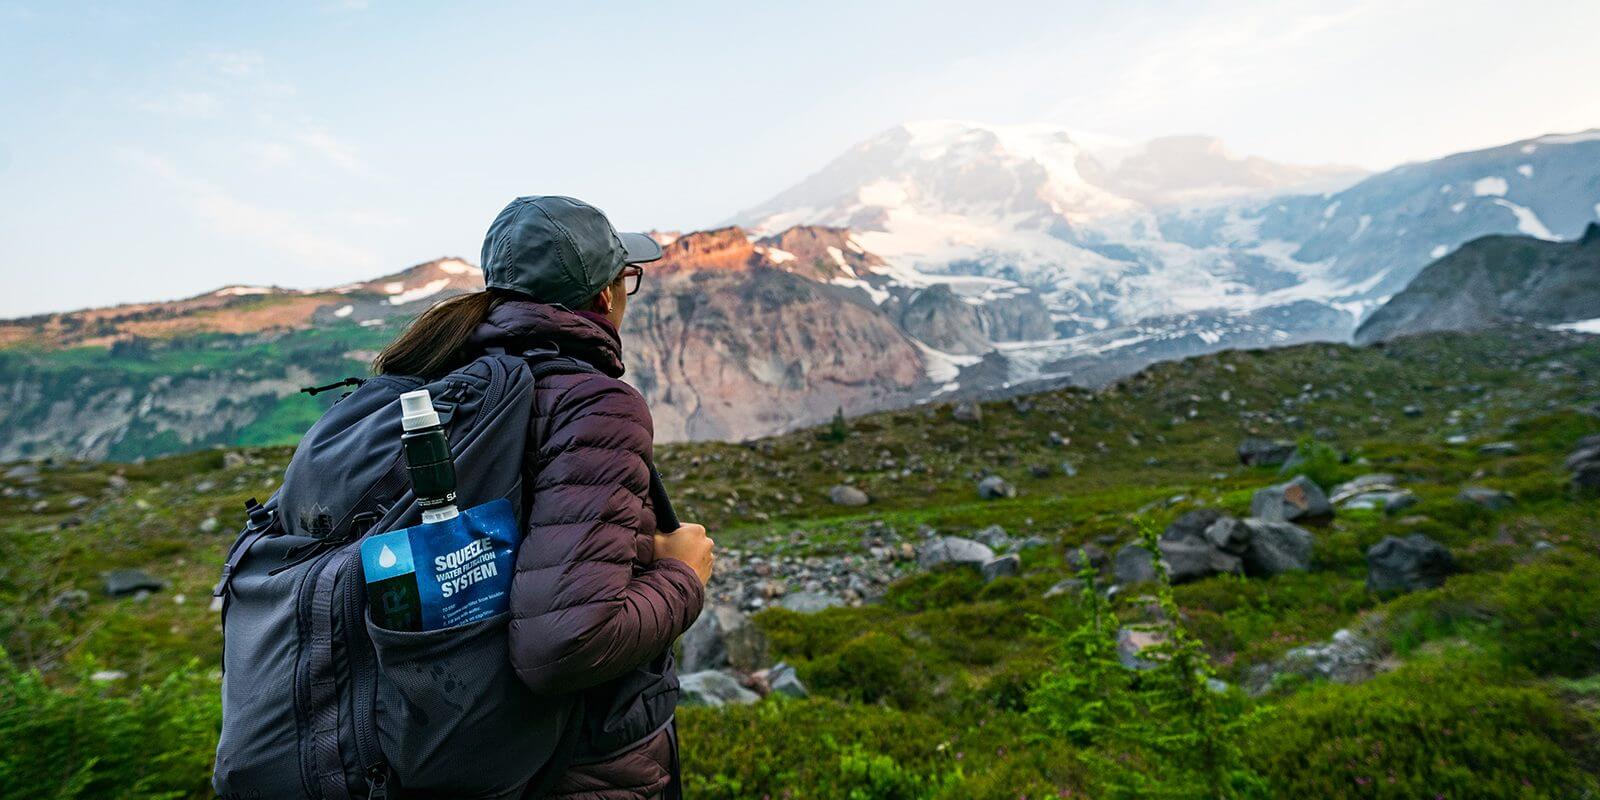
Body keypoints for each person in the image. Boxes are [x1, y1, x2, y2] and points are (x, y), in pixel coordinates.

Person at [371, 195, 715, 799]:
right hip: (574, 769)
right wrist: (681, 575)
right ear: (605, 296)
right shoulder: (591, 401)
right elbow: (563, 645)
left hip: (461, 757)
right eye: (625, 277)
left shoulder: (448, 388)